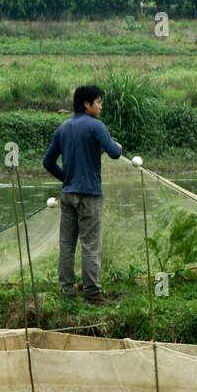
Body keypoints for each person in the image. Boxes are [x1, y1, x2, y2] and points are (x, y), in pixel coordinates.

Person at [43, 85, 123, 304]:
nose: (101, 106)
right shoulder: (96, 126)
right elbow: (114, 153)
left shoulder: (62, 129)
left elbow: (48, 162)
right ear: (87, 104)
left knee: (67, 245)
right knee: (90, 245)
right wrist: (117, 146)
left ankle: (67, 292)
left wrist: (66, 179)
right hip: (89, 196)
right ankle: (92, 293)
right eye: (98, 102)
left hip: (68, 195)